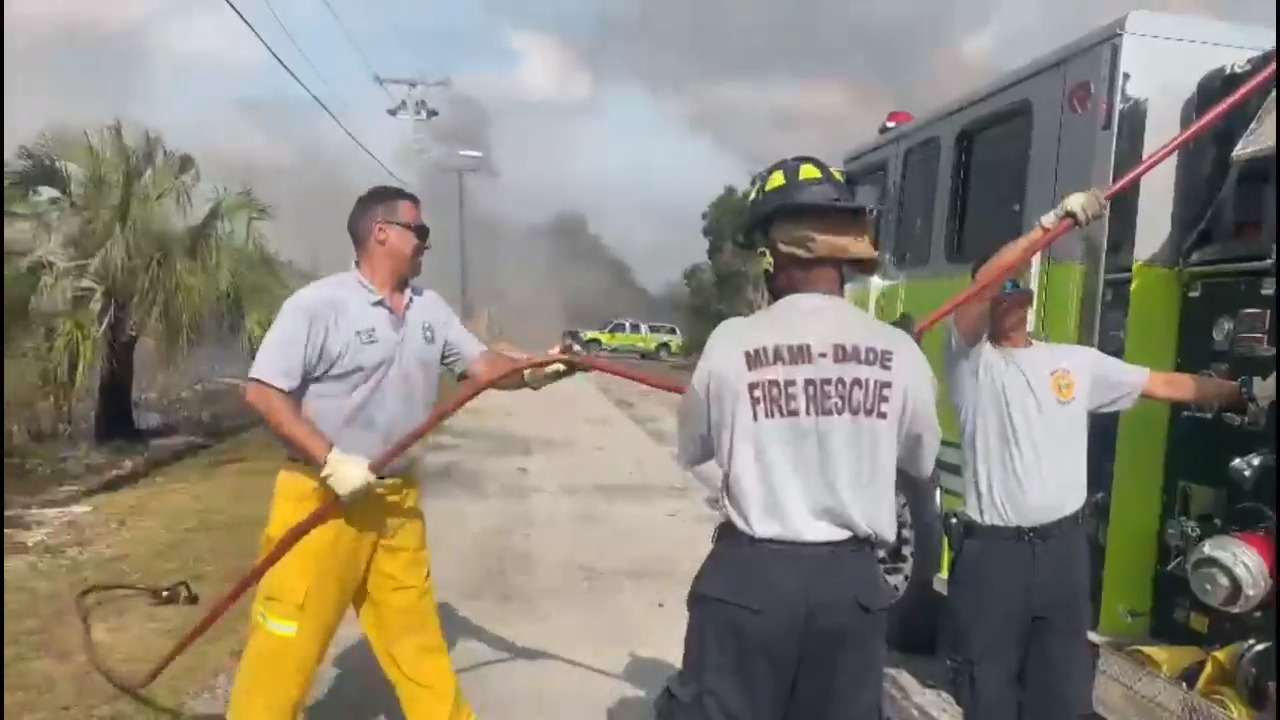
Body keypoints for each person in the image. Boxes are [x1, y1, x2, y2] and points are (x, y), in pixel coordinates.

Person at [226, 185, 582, 719]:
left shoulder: (428, 310)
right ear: (381, 232)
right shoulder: (319, 306)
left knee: (417, 641)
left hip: (394, 503)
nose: (426, 245)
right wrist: (331, 459)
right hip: (320, 501)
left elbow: (482, 366)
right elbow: (263, 391)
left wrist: (538, 369)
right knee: (287, 643)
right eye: (421, 232)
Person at [942, 189, 1277, 720]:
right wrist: (1051, 223)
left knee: (1063, 691)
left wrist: (1249, 393)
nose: (1006, 290)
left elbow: (1166, 384)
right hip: (994, 558)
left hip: (1063, 555)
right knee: (988, 691)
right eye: (996, 285)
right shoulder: (970, 362)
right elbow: (987, 282)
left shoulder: (1074, 362)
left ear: (1028, 295)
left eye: (1016, 282)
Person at [655, 156, 943, 720]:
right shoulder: (898, 352)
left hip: (750, 585)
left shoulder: (732, 341)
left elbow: (692, 447)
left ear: (775, 253)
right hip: (850, 592)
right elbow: (919, 456)